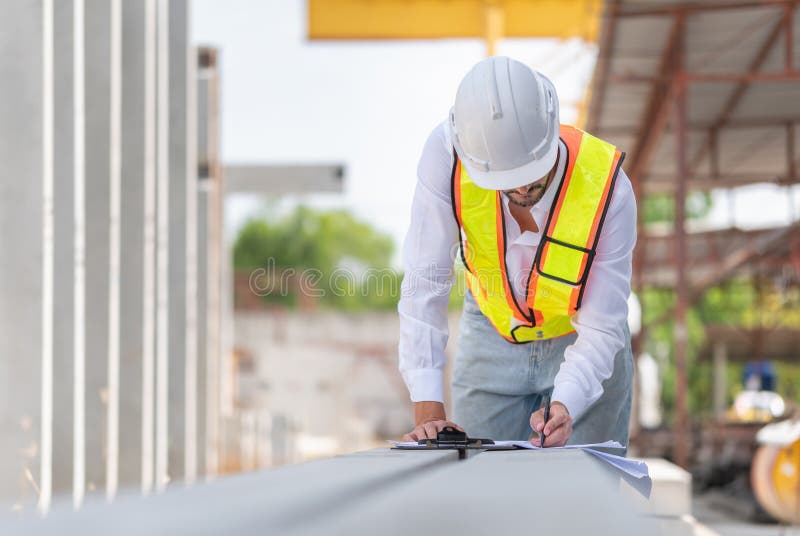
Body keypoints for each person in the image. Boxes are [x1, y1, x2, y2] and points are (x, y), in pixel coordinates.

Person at [398, 56, 636, 449]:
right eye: (507, 182)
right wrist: (429, 415)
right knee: (476, 488)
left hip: (580, 335)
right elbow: (425, 282)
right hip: (490, 328)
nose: (522, 191)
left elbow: (602, 325)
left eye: (532, 174)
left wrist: (566, 402)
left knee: (588, 494)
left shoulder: (609, 189)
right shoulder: (447, 156)